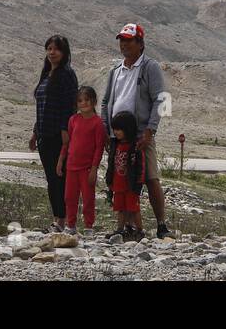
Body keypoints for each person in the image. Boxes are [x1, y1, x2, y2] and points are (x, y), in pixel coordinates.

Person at [99, 23, 171, 238]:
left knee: (150, 177)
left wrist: (150, 130)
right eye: (121, 40)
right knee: (120, 179)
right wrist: (106, 128)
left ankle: (161, 225)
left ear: (140, 43)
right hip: (117, 135)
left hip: (140, 134)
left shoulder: (150, 67)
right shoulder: (116, 70)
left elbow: (161, 98)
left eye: (129, 40)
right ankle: (128, 226)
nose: (124, 44)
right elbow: (105, 102)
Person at [28, 35, 78, 233]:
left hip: (59, 135)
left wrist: (66, 131)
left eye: (56, 49)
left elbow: (69, 105)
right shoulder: (46, 73)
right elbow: (42, 107)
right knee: (51, 178)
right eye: (48, 48)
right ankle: (57, 218)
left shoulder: (67, 74)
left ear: (64, 52)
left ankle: (64, 220)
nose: (52, 52)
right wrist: (34, 133)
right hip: (44, 135)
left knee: (60, 177)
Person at [57, 86, 106, 235]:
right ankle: (70, 225)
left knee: (88, 198)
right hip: (71, 166)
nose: (83, 103)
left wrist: (94, 169)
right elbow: (67, 143)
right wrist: (61, 161)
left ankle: (88, 226)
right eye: (80, 100)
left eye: (87, 100)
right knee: (69, 197)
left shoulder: (98, 123)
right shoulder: (73, 120)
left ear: (94, 101)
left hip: (86, 169)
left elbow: (99, 148)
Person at [106, 110, 145, 241]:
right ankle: (120, 230)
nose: (116, 132)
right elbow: (111, 163)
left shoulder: (135, 147)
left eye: (119, 129)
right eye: (114, 129)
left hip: (131, 184)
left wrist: (139, 182)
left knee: (133, 208)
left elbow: (140, 166)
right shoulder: (115, 145)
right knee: (120, 208)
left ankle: (139, 230)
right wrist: (110, 182)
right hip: (118, 184)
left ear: (127, 129)